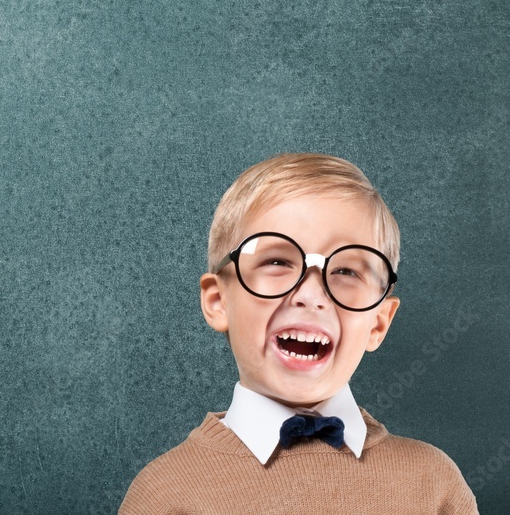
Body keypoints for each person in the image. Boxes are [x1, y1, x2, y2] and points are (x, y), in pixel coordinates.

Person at [119, 153, 477, 514]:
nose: (311, 295)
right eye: (276, 261)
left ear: (378, 323)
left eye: (348, 271)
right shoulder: (165, 493)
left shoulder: (434, 484)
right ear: (218, 301)